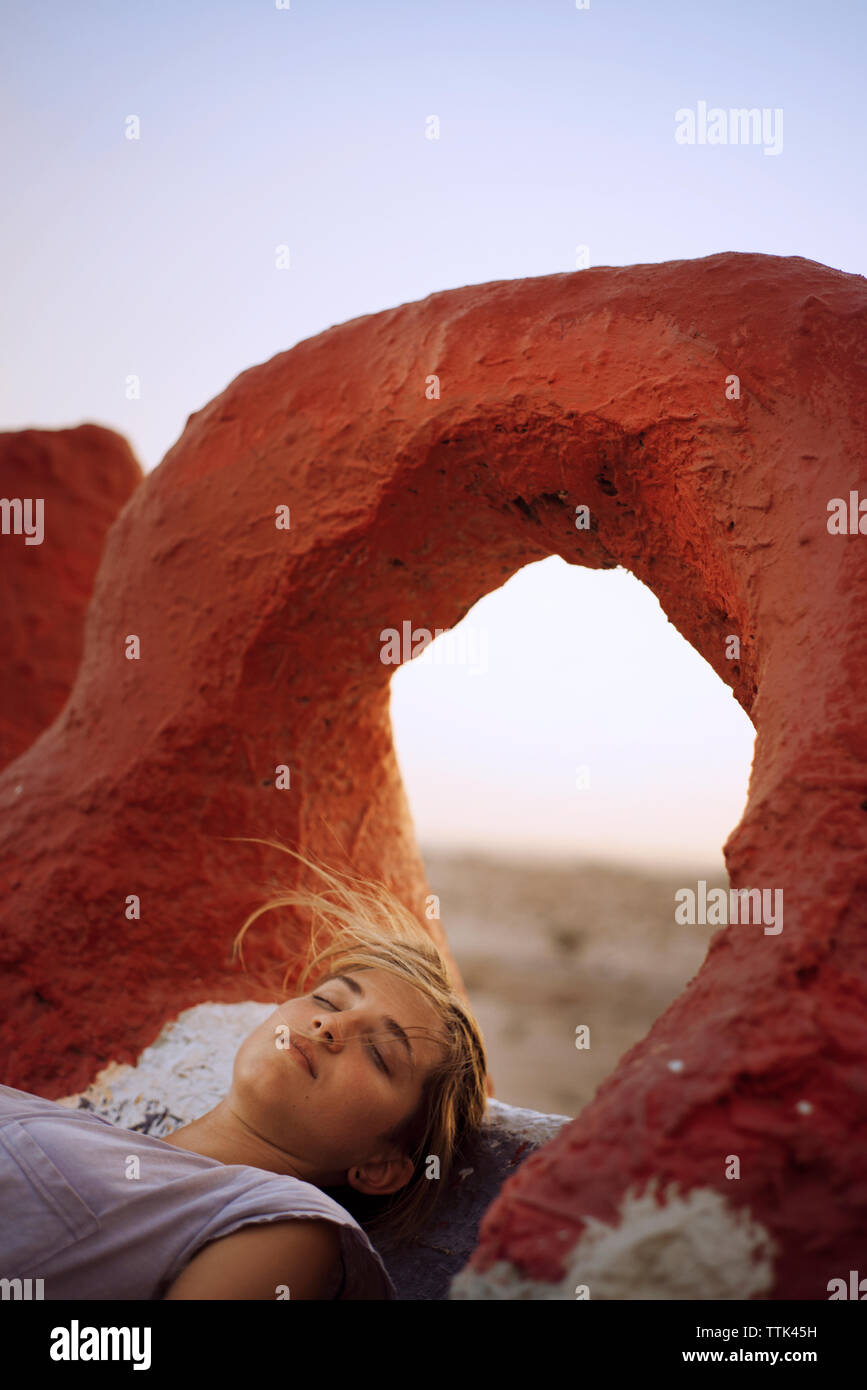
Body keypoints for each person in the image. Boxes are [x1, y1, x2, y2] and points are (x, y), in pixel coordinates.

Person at [0, 844, 489, 1300]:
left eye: (380, 1054)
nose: (330, 1024)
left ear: (379, 1167)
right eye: (327, 999)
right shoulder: (92, 1134)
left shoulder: (284, 1224)